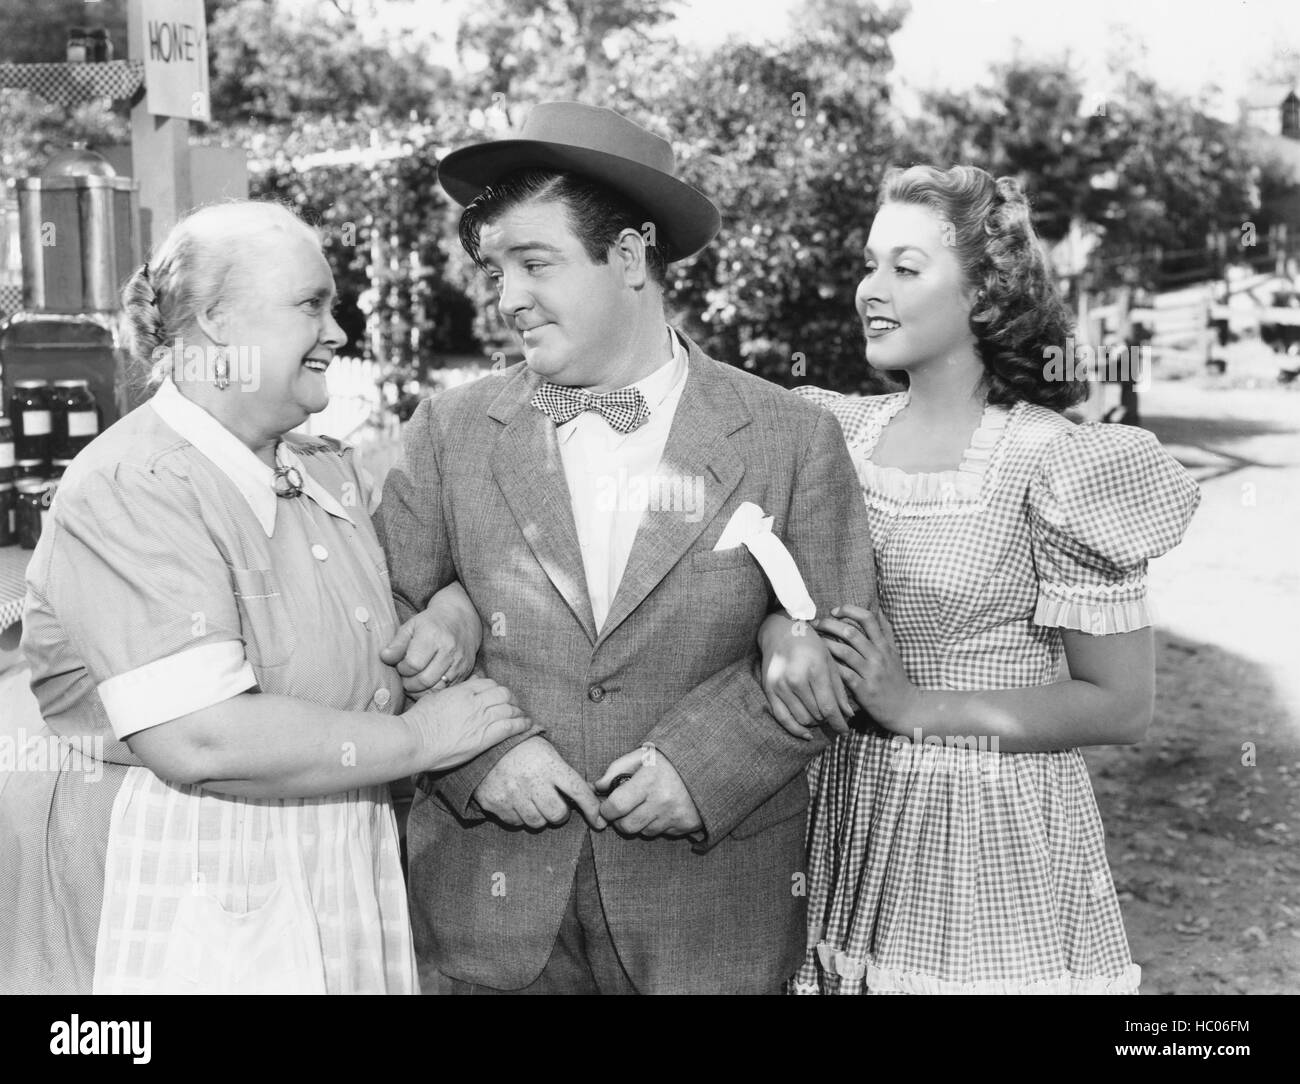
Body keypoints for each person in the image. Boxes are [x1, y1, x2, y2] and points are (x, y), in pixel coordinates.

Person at [376, 101, 877, 994]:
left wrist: (706, 766)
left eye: (535, 262)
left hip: (706, 917)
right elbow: (387, 613)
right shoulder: (448, 431)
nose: (508, 298)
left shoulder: (791, 437)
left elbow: (840, 653)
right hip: (487, 918)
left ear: (633, 257)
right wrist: (482, 753)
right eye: (498, 270)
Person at [0, 200, 530, 995]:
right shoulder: (133, 485)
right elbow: (204, 741)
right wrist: (424, 741)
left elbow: (388, 604)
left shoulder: (318, 469)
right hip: (194, 877)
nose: (339, 332)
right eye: (310, 305)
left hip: (329, 860)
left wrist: (447, 610)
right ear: (215, 322)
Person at [763, 165, 1201, 994]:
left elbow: (1121, 703)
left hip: (986, 833)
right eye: (869, 262)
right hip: (851, 809)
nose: (870, 289)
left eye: (906, 266)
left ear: (983, 296)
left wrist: (915, 707)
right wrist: (781, 628)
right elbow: (757, 561)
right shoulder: (835, 432)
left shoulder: (1058, 461)